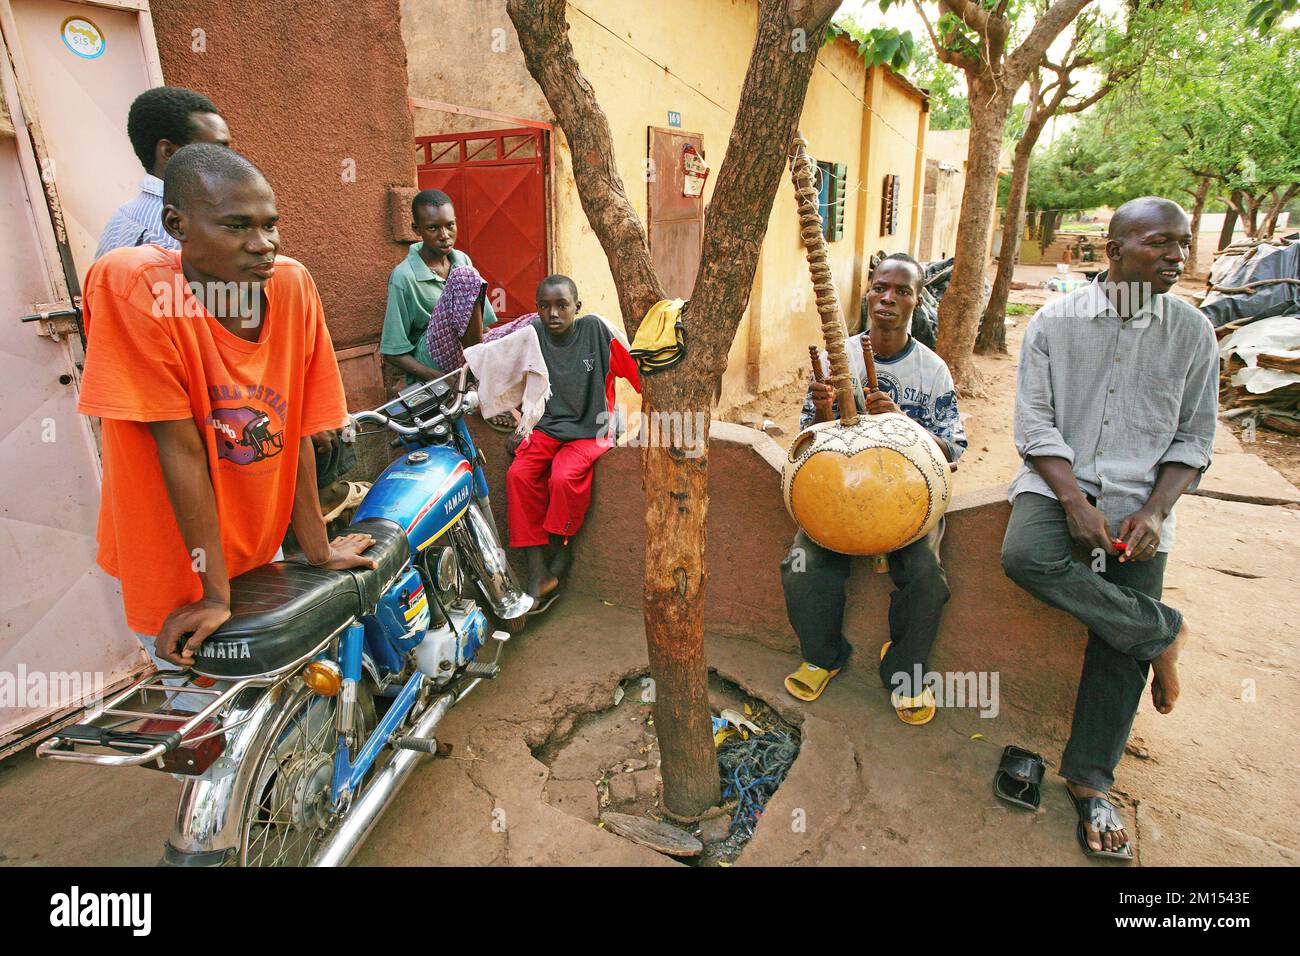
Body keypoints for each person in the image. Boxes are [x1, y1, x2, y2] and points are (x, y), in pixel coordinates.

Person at [78, 143, 376, 711]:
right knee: (208, 722)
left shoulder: (290, 286)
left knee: (281, 710)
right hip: (174, 562)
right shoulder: (136, 289)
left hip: (255, 550)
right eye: (237, 225)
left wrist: (316, 549)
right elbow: (181, 450)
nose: (262, 245)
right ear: (177, 226)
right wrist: (211, 593)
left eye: (270, 226)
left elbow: (297, 427)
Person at [1000, 196, 1217, 860]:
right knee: (1026, 553)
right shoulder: (1053, 324)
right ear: (1114, 250)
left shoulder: (1193, 333)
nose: (1177, 256)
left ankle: (1092, 782)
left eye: (1183, 244)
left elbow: (1193, 440)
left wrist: (1154, 511)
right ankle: (1162, 632)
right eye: (1161, 243)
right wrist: (1071, 501)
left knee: (1116, 644)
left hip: (1142, 498)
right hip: (1058, 481)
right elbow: (1034, 427)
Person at [780, 253, 967, 724]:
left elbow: (953, 449)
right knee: (802, 566)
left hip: (909, 500)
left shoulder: (932, 370)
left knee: (925, 576)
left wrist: (901, 423)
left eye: (902, 290)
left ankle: (904, 669)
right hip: (841, 493)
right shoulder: (833, 357)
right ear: (868, 292)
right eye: (881, 287)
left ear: (916, 299)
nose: (888, 298)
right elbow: (806, 442)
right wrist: (824, 413)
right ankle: (823, 655)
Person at [503, 275, 640, 610]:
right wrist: (519, 421)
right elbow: (502, 374)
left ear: (577, 307)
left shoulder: (596, 331)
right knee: (518, 475)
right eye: (545, 306)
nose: (553, 313)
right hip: (547, 426)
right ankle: (537, 569)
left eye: (562, 305)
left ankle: (561, 552)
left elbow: (638, 371)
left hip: (592, 429)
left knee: (563, 477)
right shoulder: (532, 335)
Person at [96, 86, 230, 258]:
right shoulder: (186, 234)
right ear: (168, 151)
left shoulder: (121, 217)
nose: (230, 159)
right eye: (217, 148)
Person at [380, 189, 496, 385]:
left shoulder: (462, 260)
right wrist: (438, 378)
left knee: (532, 326)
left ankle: (481, 376)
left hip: (466, 356)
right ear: (416, 229)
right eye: (433, 228)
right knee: (464, 276)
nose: (444, 236)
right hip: (432, 360)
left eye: (450, 226)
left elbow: (482, 327)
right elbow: (393, 352)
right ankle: (480, 378)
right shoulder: (403, 277)